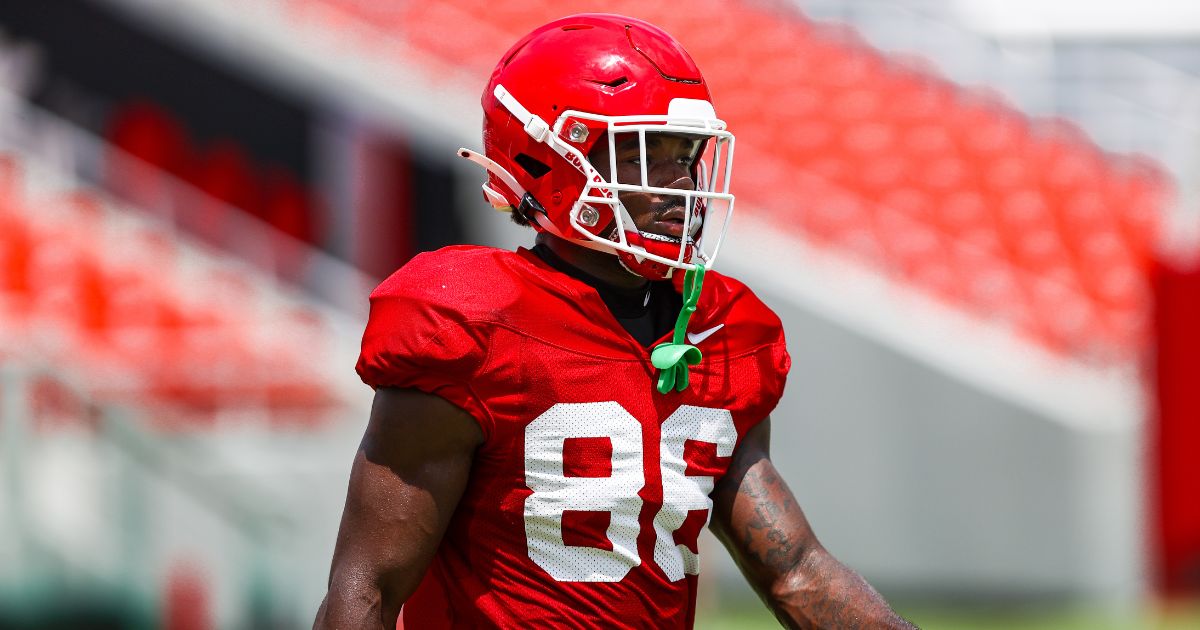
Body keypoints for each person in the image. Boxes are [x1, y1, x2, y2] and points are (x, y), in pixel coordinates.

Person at [314, 13, 915, 629]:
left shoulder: (721, 333)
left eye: (686, 157)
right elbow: (369, 587)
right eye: (644, 156)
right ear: (549, 161)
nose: (680, 186)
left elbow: (796, 571)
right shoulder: (475, 320)